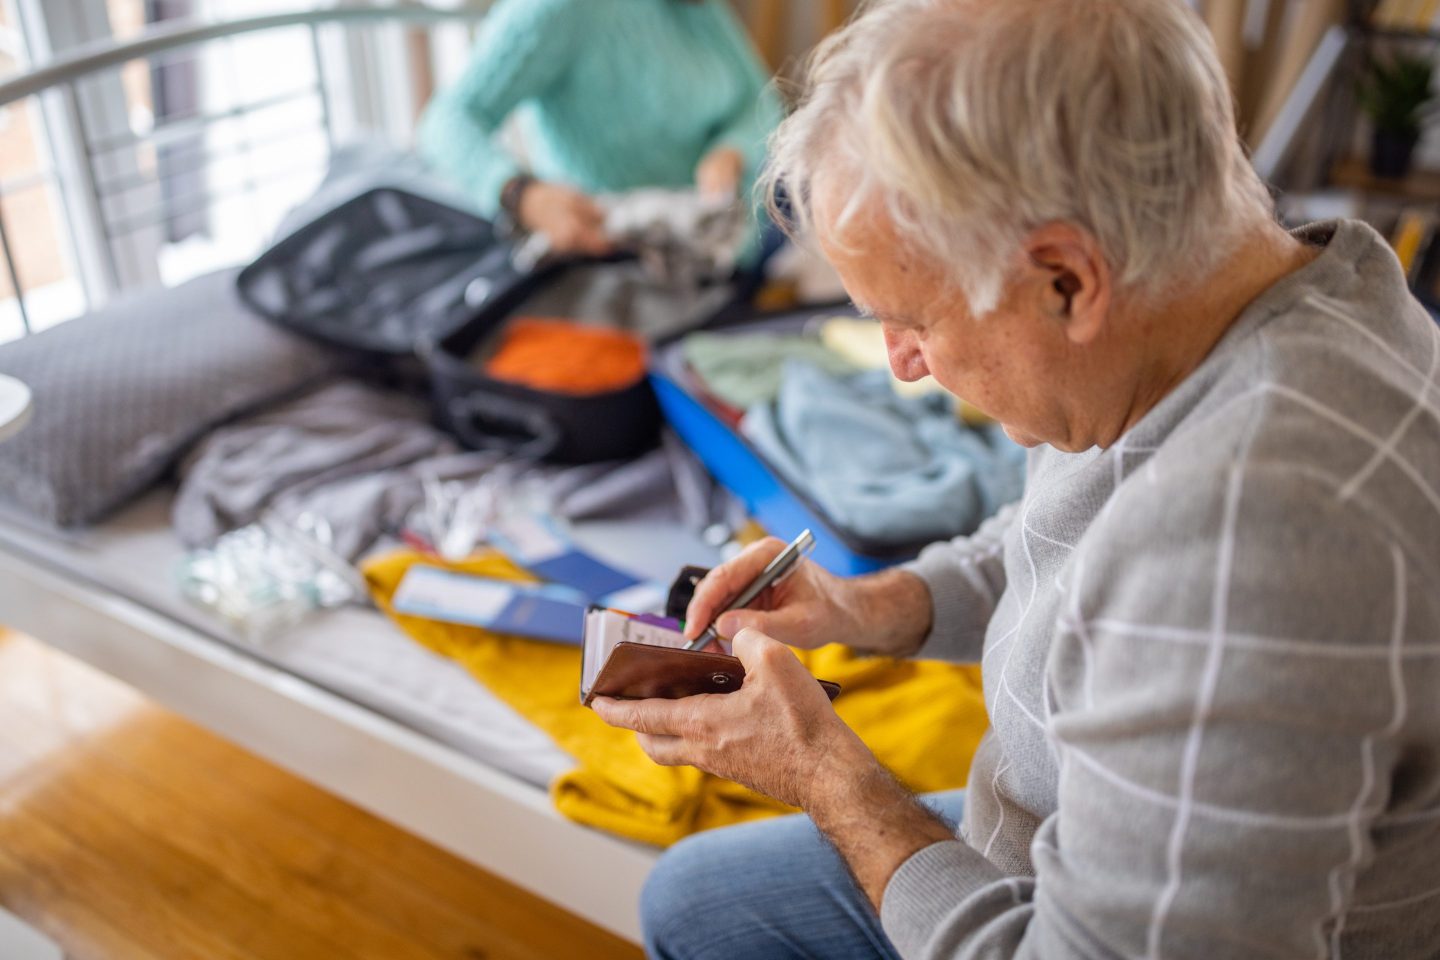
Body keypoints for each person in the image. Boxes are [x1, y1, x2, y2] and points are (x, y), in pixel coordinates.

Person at [590, 0, 1440, 957]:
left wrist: (826, 774)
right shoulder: (1235, 310)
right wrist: (866, 607)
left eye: (912, 319)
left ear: (1067, 280)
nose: (903, 363)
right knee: (695, 901)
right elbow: (1068, 535)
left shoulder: (1257, 546)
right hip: (1067, 841)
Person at [416, 0, 782, 257]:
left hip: (742, 240)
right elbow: (446, 119)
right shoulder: (558, 11)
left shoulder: (698, 7)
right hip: (629, 267)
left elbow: (763, 100)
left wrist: (732, 148)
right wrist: (519, 194)